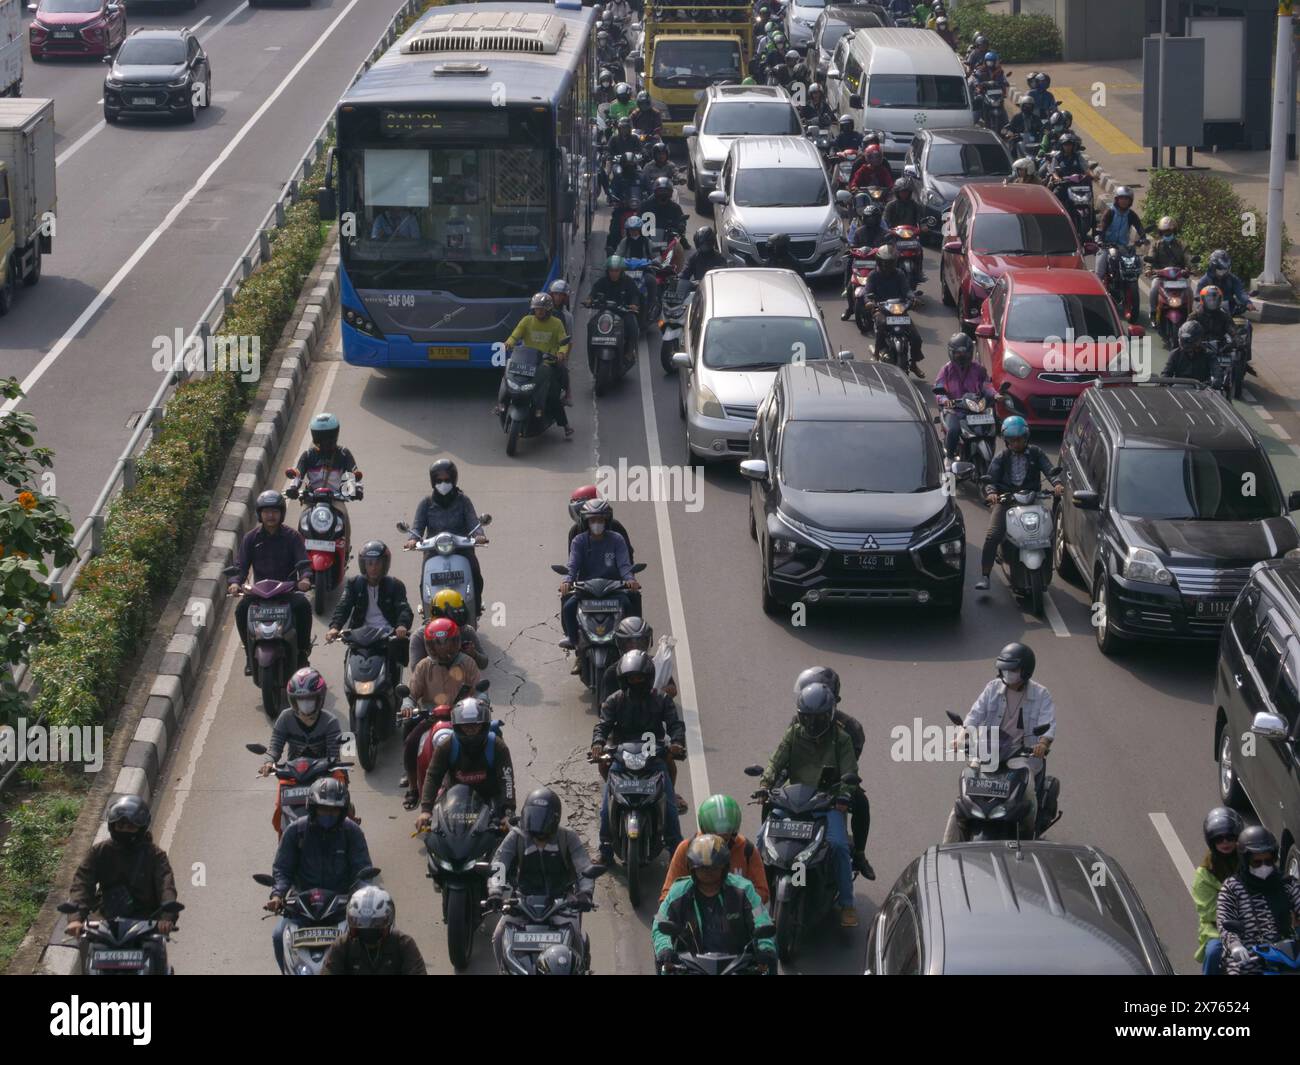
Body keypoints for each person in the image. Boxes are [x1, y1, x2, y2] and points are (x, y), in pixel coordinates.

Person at [760, 682, 858, 927]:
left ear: (830, 715)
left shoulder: (842, 739)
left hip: (826, 805)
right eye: (808, 718)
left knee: (838, 846)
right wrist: (765, 784)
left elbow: (850, 773)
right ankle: (759, 895)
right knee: (762, 838)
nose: (812, 724)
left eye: (819, 718)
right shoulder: (793, 734)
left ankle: (847, 904)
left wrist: (844, 795)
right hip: (793, 801)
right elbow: (775, 761)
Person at [944, 643, 1056, 842]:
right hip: (989, 752)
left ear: (1026, 670)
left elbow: (1048, 725)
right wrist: (961, 737)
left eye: (1013, 669)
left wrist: (1042, 744)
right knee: (962, 802)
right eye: (1005, 669)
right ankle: (947, 849)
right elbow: (974, 715)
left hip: (1022, 756)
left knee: (1029, 796)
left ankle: (1030, 837)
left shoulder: (1041, 694)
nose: (1008, 673)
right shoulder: (992, 688)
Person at [265, 777, 374, 974]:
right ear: (313, 807)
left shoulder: (352, 831)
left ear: (342, 811)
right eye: (324, 809)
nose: (329, 814)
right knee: (278, 935)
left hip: (342, 908)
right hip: (302, 908)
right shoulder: (295, 831)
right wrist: (277, 895)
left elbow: (362, 870)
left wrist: (364, 896)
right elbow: (282, 869)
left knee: (368, 938)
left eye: (334, 810)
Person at [65, 797, 178, 973]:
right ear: (113, 827)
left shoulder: (155, 855)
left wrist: (167, 917)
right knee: (93, 956)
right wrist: (75, 919)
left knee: (156, 956)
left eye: (131, 826)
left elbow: (166, 886)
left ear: (141, 828)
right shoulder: (99, 852)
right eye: (121, 826)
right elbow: (82, 883)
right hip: (106, 923)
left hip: (145, 923)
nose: (125, 830)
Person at [591, 649, 686, 861]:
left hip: (654, 761)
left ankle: (677, 852)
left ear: (648, 677)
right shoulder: (614, 701)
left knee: (670, 807)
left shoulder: (662, 699)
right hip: (621, 762)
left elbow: (675, 725)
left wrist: (677, 743)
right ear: (624, 679)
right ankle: (605, 850)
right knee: (606, 808)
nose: (635, 681)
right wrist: (598, 744)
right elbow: (602, 726)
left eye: (639, 677)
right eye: (631, 677)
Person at [489, 787, 596, 970]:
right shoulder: (516, 836)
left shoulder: (567, 837)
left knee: (576, 937)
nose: (538, 839)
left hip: (561, 904)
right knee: (499, 935)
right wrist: (495, 892)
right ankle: (504, 970)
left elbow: (584, 867)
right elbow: (499, 863)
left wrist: (585, 893)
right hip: (522, 903)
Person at [791, 666, 874, 878]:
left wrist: (842, 789)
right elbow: (787, 754)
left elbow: (848, 765)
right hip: (802, 784)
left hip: (834, 785)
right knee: (771, 806)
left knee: (861, 802)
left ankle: (859, 855)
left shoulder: (851, 728)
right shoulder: (798, 721)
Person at [653, 835, 777, 973]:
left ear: (724, 868)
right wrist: (664, 948)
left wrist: (766, 948)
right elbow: (660, 922)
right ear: (693, 869)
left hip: (738, 968)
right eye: (703, 868)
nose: (708, 873)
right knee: (664, 966)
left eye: (714, 868)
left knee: (768, 965)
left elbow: (762, 919)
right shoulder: (678, 891)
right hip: (689, 968)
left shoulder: (744, 889)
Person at [400, 617, 482, 809]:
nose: (443, 649)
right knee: (411, 743)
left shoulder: (468, 663)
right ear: (430, 646)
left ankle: (492, 789)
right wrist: (407, 705)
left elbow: (480, 690)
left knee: (491, 739)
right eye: (437, 645)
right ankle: (413, 787)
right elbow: (411, 694)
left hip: (464, 718)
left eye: (447, 643)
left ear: (456, 642)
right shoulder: (423, 666)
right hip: (431, 717)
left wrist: (482, 701)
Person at [229, 489, 312, 674]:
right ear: (260, 514)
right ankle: (250, 656)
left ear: (281, 513)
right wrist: (235, 582)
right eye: (266, 511)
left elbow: (303, 562)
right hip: (260, 594)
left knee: (303, 606)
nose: (270, 516)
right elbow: (240, 565)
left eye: (274, 511)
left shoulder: (292, 537)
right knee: (241, 610)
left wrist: (305, 578)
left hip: (287, 592)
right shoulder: (251, 538)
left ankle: (303, 653)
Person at [975, 417, 1063, 590]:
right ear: (1006, 441)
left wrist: (1057, 484)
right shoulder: (1001, 457)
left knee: (1049, 529)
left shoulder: (1036, 452)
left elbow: (1049, 469)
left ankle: (1047, 565)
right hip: (1006, 500)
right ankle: (985, 575)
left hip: (1032, 498)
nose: (1017, 443)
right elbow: (990, 479)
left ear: (1026, 437)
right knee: (992, 535)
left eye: (1020, 439)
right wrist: (992, 493)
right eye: (1012, 440)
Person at [259, 668, 346, 836]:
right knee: (279, 807)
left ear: (319, 698)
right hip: (293, 773)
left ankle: (347, 828)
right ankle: (284, 840)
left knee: (341, 799)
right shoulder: (285, 718)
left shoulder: (331, 722)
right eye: (300, 700)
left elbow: (334, 755)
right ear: (293, 701)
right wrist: (269, 762)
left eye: (310, 699)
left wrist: (333, 765)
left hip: (324, 773)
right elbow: (276, 745)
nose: (305, 704)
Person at [415, 695, 516, 831]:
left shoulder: (498, 746)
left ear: (484, 725)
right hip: (454, 798)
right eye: (466, 727)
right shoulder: (446, 746)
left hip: (490, 798)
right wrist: (426, 810)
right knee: (436, 832)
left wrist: (508, 811)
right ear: (457, 727)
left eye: (475, 726)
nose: (471, 731)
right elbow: (433, 776)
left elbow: (506, 779)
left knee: (507, 834)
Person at [1216, 825, 1300, 975]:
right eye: (1257, 862)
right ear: (1245, 860)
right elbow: (1224, 923)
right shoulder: (1231, 888)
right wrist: (1235, 945)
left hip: (1288, 957)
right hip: (1248, 959)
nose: (1263, 866)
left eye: (1268, 861)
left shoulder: (1287, 883)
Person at [403, 459, 490, 605]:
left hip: (461, 548)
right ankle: (427, 612)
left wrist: (479, 536)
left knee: (475, 574)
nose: (443, 484)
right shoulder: (426, 503)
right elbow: (417, 527)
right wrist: (413, 539)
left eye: (447, 480)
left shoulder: (463, 501)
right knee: (424, 580)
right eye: (439, 480)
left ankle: (475, 608)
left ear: (453, 479)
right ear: (433, 481)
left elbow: (473, 522)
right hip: (433, 550)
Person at [660, 795, 769, 904]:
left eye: (725, 839)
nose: (720, 846)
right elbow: (667, 895)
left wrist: (738, 901)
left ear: (733, 833)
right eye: (714, 839)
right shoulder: (686, 849)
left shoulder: (747, 850)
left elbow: (762, 893)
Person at [326, 540, 411, 668]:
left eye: (378, 563)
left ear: (385, 565)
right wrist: (335, 627)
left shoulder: (395, 585)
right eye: (369, 563)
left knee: (394, 666)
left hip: (387, 635)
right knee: (350, 663)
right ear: (363, 565)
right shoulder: (354, 584)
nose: (373, 567)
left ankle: (395, 685)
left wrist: (402, 625)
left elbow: (403, 608)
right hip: (360, 635)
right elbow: (344, 606)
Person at [500, 292, 573, 428]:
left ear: (548, 310)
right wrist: (508, 343)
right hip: (526, 363)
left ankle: (565, 425)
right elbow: (515, 335)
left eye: (542, 309)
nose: (538, 312)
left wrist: (561, 353)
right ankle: (501, 407)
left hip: (546, 364)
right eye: (536, 309)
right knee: (507, 381)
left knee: (553, 395)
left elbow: (564, 342)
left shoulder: (556, 324)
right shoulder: (527, 320)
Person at [320, 886, 426, 975]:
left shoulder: (404, 944)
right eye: (361, 924)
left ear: (388, 922)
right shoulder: (342, 945)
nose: (368, 931)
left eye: (376, 924)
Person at [1194, 807, 1243, 975]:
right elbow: (1210, 913)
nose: (1225, 842)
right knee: (1213, 952)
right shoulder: (1204, 874)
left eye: (1230, 837)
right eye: (1219, 839)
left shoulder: (1253, 860)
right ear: (1212, 842)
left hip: (1257, 922)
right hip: (1218, 929)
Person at [863, 244, 925, 376]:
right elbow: (866, 292)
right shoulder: (873, 275)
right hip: (881, 310)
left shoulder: (900, 274)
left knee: (916, 338)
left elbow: (907, 290)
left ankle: (913, 364)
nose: (886, 266)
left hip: (900, 310)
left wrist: (913, 299)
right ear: (879, 262)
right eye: (884, 263)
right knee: (881, 325)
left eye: (889, 263)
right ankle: (876, 353)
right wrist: (869, 302)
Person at [935, 333, 996, 460]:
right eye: (958, 353)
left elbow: (987, 385)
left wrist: (995, 395)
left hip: (976, 408)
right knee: (954, 430)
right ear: (952, 353)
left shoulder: (978, 369)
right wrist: (945, 401)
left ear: (971, 352)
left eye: (965, 352)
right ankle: (949, 458)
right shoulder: (945, 370)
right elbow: (939, 390)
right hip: (954, 409)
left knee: (992, 427)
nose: (962, 356)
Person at [409, 588, 488, 671]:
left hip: (463, 681)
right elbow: (416, 670)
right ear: (438, 614)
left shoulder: (466, 631)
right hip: (432, 682)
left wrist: (474, 654)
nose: (457, 627)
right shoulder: (420, 636)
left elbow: (484, 663)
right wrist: (436, 655)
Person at [840, 202, 891, 320]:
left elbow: (889, 246)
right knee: (849, 286)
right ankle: (850, 308)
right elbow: (853, 244)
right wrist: (851, 248)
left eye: (874, 218)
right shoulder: (859, 232)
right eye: (869, 218)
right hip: (861, 263)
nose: (871, 220)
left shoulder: (884, 233)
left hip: (879, 264)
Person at [588, 255, 642, 354]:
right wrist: (590, 299)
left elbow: (635, 295)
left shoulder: (628, 282)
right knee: (591, 324)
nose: (613, 273)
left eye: (616, 271)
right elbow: (594, 291)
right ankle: (591, 350)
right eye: (611, 271)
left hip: (623, 312)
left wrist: (633, 304)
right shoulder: (603, 281)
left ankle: (630, 350)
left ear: (621, 271)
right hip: (605, 312)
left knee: (633, 326)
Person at [1094, 186, 1146, 280]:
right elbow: (1103, 226)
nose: (1124, 201)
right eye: (1122, 198)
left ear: (1130, 201)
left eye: (1127, 199)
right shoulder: (1110, 212)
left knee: (1134, 268)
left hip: (1123, 247)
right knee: (1099, 273)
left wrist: (1143, 237)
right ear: (1117, 199)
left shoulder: (1131, 214)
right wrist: (1101, 240)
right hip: (1107, 246)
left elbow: (1139, 226)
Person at [1143, 216, 1190, 318]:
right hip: (1160, 275)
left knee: (1189, 290)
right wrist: (1148, 269)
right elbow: (1150, 257)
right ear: (1161, 232)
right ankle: (1153, 312)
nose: (1167, 234)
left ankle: (1189, 315)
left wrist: (1189, 268)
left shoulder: (1182, 244)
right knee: (1154, 288)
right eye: (1164, 232)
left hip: (1178, 275)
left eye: (1169, 231)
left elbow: (1188, 258)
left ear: (1174, 231)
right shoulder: (1156, 245)